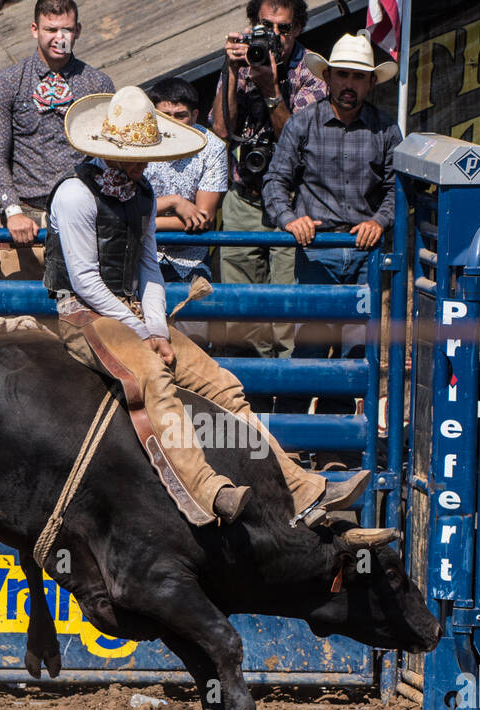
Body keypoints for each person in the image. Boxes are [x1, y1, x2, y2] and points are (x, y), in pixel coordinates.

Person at [46, 87, 371, 527]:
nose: (145, 164)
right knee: (155, 380)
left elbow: (148, 269)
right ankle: (206, 491)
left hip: (131, 314)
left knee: (223, 385)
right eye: (137, 155)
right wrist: (144, 332)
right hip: (83, 315)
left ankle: (300, 488)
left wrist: (156, 328)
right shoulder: (74, 194)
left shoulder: (140, 196)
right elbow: (84, 280)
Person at [261, 32, 400, 417]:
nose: (349, 85)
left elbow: (396, 191)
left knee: (355, 349)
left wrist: (380, 220)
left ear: (371, 82)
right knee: (309, 345)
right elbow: (275, 180)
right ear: (328, 78)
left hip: (363, 252)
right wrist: (291, 219)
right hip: (318, 251)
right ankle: (290, 439)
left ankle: (334, 447)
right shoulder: (303, 124)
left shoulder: (386, 130)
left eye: (358, 77)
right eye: (342, 75)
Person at [209, 0, 326, 365]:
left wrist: (271, 89)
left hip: (292, 203)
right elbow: (221, 129)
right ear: (252, 23)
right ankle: (251, 403)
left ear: (299, 29)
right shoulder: (244, 59)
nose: (274, 36)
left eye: (284, 28)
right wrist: (231, 70)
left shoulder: (312, 71)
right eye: (266, 25)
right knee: (242, 312)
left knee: (287, 314)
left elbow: (301, 144)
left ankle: (288, 406)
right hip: (244, 197)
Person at [0, 0, 113, 282]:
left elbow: (107, 156)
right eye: (50, 29)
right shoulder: (7, 82)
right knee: (20, 320)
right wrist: (12, 211)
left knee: (79, 321)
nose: (59, 38)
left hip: (81, 218)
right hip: (24, 219)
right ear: (34, 29)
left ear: (78, 30)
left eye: (66, 29)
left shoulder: (98, 84)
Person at [144, 77, 228, 350]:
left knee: (196, 346)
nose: (172, 122)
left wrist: (143, 221)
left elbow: (203, 219)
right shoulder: (136, 140)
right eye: (164, 115)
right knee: (140, 342)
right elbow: (120, 208)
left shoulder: (211, 146)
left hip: (191, 261)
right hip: (139, 257)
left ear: (195, 115)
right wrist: (173, 202)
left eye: (180, 116)